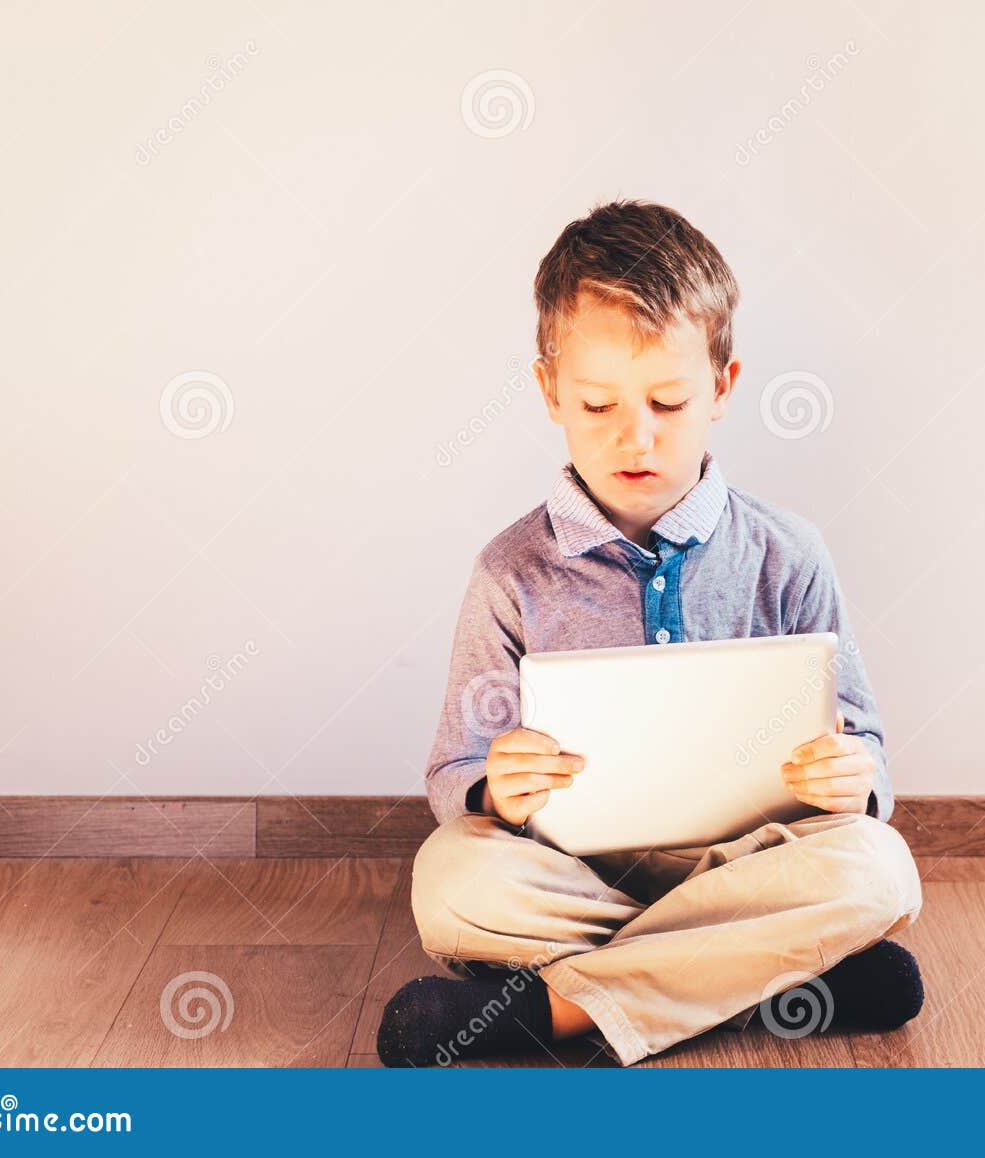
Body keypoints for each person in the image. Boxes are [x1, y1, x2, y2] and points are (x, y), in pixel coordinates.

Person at [376, 200, 924, 1067]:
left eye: (669, 401)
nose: (637, 436)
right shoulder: (509, 573)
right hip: (573, 876)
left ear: (723, 389)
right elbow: (456, 771)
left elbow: (868, 758)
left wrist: (852, 777)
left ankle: (550, 1014)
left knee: (879, 867)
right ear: (551, 391)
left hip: (749, 863)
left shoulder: (788, 553)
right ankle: (769, 983)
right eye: (598, 405)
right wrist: (497, 792)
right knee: (449, 881)